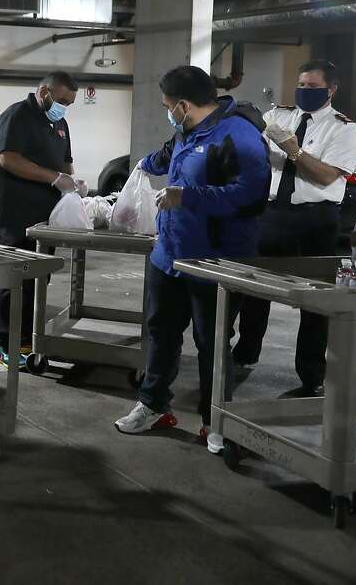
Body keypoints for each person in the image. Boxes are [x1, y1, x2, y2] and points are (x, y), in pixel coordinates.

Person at [115, 65, 270, 455]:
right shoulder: (187, 129)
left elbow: (250, 197)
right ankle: (152, 405)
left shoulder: (239, 136)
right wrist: (141, 169)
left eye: (169, 106)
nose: (168, 112)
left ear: (184, 105)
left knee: (212, 342)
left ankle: (215, 420)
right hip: (169, 254)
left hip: (213, 260)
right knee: (162, 331)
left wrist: (189, 196)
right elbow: (168, 157)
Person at [233, 61, 356, 397]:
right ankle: (245, 354)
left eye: (312, 85)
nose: (304, 90)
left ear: (330, 89)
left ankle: (311, 375)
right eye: (301, 84)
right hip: (272, 214)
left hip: (315, 221)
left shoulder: (342, 129)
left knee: (314, 301)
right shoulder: (282, 116)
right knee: (254, 290)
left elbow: (326, 176)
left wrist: (293, 150)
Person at [0, 71, 85, 368]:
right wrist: (54, 178)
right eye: (61, 100)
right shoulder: (17, 115)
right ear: (44, 92)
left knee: (38, 278)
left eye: (69, 103)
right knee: (15, 277)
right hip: (16, 211)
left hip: (47, 215)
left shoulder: (59, 123)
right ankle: (4, 342)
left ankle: (29, 338)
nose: (64, 107)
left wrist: (71, 180)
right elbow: (9, 159)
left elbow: (65, 160)